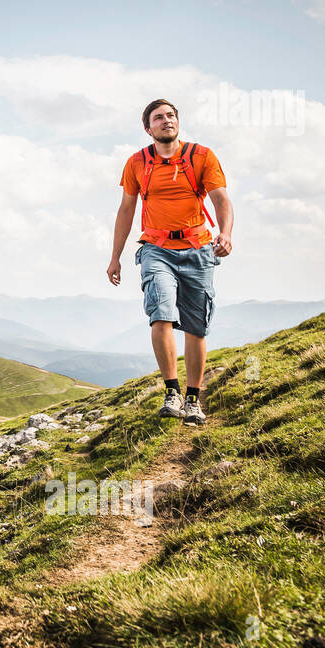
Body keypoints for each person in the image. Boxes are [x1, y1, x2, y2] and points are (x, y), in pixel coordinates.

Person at [106, 99, 234, 425]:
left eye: (171, 115)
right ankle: (172, 391)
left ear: (178, 121)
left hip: (198, 248)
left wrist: (226, 233)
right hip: (155, 247)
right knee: (159, 314)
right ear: (148, 128)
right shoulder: (137, 163)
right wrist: (115, 257)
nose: (167, 121)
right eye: (159, 118)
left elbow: (221, 200)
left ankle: (193, 399)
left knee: (196, 326)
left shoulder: (202, 156)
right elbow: (126, 210)